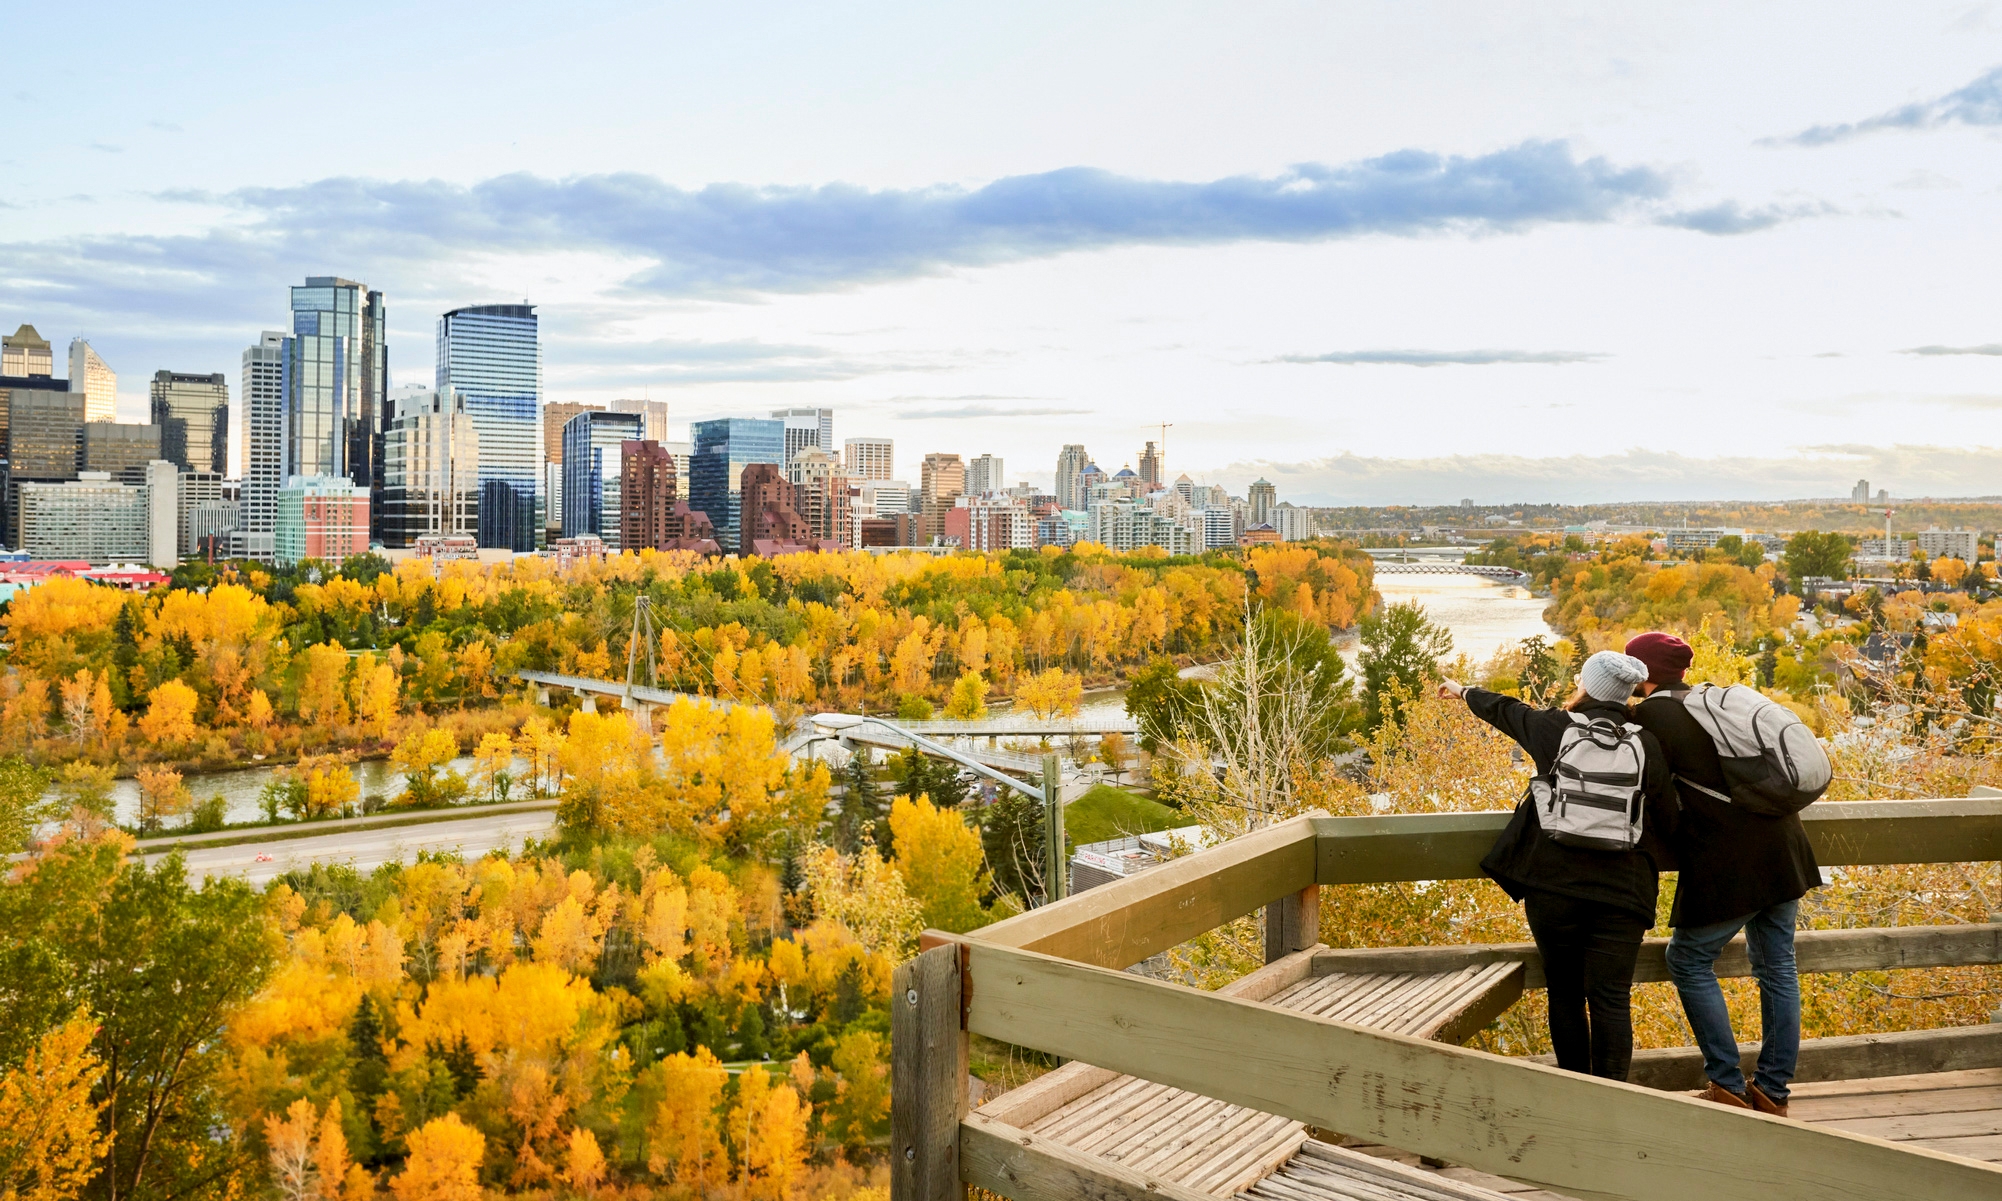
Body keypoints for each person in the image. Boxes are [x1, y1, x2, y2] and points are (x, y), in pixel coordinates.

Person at [1438, 651, 1677, 1081]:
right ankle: (1613, 1101)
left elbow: (1506, 710)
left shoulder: (1555, 728)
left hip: (1554, 885)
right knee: (1611, 999)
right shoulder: (1646, 743)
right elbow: (1667, 817)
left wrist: (1462, 691)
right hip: (1623, 892)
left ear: (1588, 686)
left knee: (1565, 993)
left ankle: (1575, 1094)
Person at [1624, 631, 1820, 1117]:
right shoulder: (1709, 704)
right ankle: (1772, 1091)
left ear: (1643, 674)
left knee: (1688, 960)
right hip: (1784, 846)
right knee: (1777, 967)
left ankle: (1727, 1083)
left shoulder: (1652, 716)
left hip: (1731, 858)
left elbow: (1652, 789)